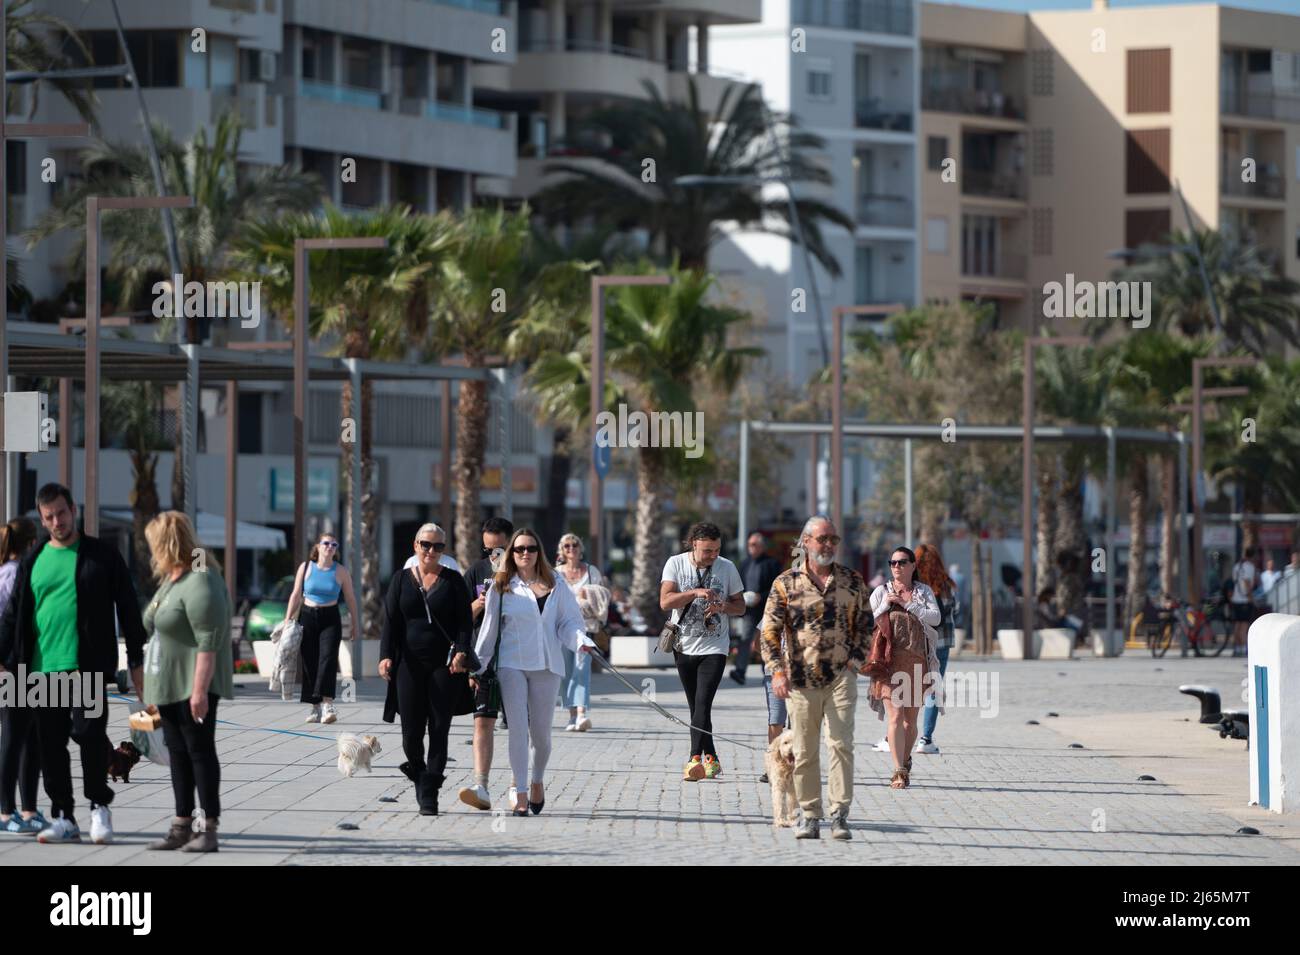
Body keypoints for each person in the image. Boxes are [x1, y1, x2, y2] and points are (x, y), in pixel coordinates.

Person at [0, 484, 146, 845]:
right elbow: (13, 615)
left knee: (90, 736)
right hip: (39, 670)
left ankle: (99, 806)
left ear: (73, 509)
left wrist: (137, 661)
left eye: (61, 513)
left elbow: (129, 608)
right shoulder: (33, 560)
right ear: (41, 517)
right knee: (50, 746)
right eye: (48, 517)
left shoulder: (101, 555)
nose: (56, 522)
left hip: (86, 668)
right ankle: (63, 815)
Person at [761, 516, 870, 841]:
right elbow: (769, 630)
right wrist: (777, 671)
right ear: (805, 542)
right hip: (801, 679)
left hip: (840, 677)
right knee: (805, 751)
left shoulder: (852, 581)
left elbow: (866, 624)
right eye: (822, 539)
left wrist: (855, 661)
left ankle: (839, 815)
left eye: (833, 540)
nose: (828, 545)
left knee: (841, 746)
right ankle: (809, 815)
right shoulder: (786, 583)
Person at [473, 528, 594, 816]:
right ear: (511, 554)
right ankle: (521, 793)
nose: (524, 553)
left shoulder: (556, 583)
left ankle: (537, 779)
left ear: (539, 552)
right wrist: (477, 666)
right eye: (518, 549)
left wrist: (581, 642)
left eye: (530, 548)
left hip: (548, 665)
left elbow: (569, 623)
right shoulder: (502, 586)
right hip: (511, 664)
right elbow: (489, 629)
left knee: (541, 735)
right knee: (517, 730)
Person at [142, 512, 233, 852]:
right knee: (178, 754)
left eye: (154, 544)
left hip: (192, 683)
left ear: (166, 543)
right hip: (167, 683)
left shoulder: (199, 575)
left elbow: (208, 637)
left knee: (199, 751)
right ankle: (182, 823)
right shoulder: (173, 577)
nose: (152, 552)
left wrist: (199, 691)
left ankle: (208, 828)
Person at [379, 523, 473, 816]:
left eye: (438, 546)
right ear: (415, 545)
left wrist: (461, 651)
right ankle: (420, 774)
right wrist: (385, 656)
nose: (431, 551)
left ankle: (429, 792)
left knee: (439, 728)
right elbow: (390, 622)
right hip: (408, 664)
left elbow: (464, 623)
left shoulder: (454, 580)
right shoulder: (400, 579)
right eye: (426, 545)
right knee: (410, 732)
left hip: (444, 666)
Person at [659, 522, 745, 781]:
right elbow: (665, 601)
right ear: (693, 544)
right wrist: (694, 592)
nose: (713, 556)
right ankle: (714, 759)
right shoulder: (675, 563)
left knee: (703, 703)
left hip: (715, 647)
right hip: (683, 645)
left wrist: (722, 607)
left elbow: (740, 607)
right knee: (697, 708)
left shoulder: (727, 567)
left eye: (717, 550)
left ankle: (694, 759)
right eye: (708, 550)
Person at [868, 546, 941, 790]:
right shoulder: (881, 591)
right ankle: (898, 770)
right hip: (888, 662)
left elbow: (935, 618)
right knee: (896, 716)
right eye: (892, 562)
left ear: (912, 566)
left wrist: (909, 604)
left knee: (910, 721)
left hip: (917, 662)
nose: (896, 566)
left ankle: (906, 758)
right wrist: (886, 606)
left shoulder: (923, 592)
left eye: (901, 562)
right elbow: (869, 620)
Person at [457, 517, 513, 811]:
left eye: (499, 549)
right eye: (488, 549)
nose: (493, 556)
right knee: (482, 721)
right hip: (484, 659)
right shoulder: (475, 571)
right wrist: (479, 604)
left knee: (519, 725)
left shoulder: (524, 570)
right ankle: (481, 785)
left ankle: (520, 787)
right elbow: (461, 617)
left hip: (518, 658)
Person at [282, 532, 360, 724]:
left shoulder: (340, 571)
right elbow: (295, 594)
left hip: (330, 617)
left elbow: (350, 598)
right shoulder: (306, 567)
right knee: (309, 661)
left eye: (334, 545)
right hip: (307, 616)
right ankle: (314, 706)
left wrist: (355, 624)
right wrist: (287, 620)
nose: (330, 547)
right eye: (326, 543)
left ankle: (327, 704)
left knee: (327, 659)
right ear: (317, 546)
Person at [0, 517, 44, 835]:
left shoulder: (5, 573)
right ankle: (8, 811)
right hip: (17, 667)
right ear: (30, 545)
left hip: (16, 666)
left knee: (25, 738)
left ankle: (26, 809)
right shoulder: (19, 575)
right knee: (18, 739)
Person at [555, 533, 606, 732]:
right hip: (562, 629)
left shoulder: (591, 571)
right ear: (562, 550)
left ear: (580, 547)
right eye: (567, 545)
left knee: (581, 670)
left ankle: (583, 713)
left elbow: (603, 596)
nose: (571, 548)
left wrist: (589, 593)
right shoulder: (556, 573)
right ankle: (572, 715)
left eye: (575, 544)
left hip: (585, 628)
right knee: (566, 672)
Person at [915, 544, 958, 756]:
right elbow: (954, 608)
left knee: (910, 688)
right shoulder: (945, 584)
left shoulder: (914, 586)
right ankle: (926, 739)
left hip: (917, 643)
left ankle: (898, 734)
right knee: (934, 688)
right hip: (941, 644)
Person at [731, 531, 780, 686]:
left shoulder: (772, 564)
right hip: (749, 610)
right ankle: (740, 671)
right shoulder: (745, 564)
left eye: (754, 544)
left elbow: (777, 587)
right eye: (749, 544)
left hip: (767, 609)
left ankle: (767, 671)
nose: (750, 547)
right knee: (745, 638)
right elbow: (738, 585)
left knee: (766, 640)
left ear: (761, 546)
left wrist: (761, 596)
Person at [1229, 546, 1258, 656]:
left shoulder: (1237, 566)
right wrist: (1251, 598)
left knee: (1237, 626)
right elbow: (1247, 583)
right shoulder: (1250, 567)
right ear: (1253, 556)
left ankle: (1237, 648)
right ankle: (1244, 649)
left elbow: (1234, 581)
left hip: (1235, 599)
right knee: (1244, 627)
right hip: (1244, 600)